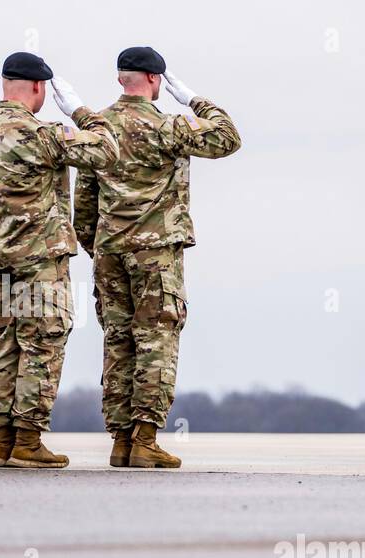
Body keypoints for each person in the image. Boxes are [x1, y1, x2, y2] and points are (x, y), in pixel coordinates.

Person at [73, 47, 240, 469]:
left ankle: (120, 439)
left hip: (109, 251)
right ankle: (144, 438)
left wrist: (101, 246)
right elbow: (228, 137)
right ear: (156, 80)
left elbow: (84, 207)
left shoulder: (99, 127)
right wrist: (196, 100)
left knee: (118, 340)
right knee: (156, 339)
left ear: (120, 79)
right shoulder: (169, 126)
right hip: (156, 252)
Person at [0, 52, 119, 469]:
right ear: (39, 89)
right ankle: (28, 441)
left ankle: (2, 441)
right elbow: (107, 150)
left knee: (5, 346)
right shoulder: (42, 134)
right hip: (41, 261)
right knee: (42, 345)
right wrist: (81, 111)